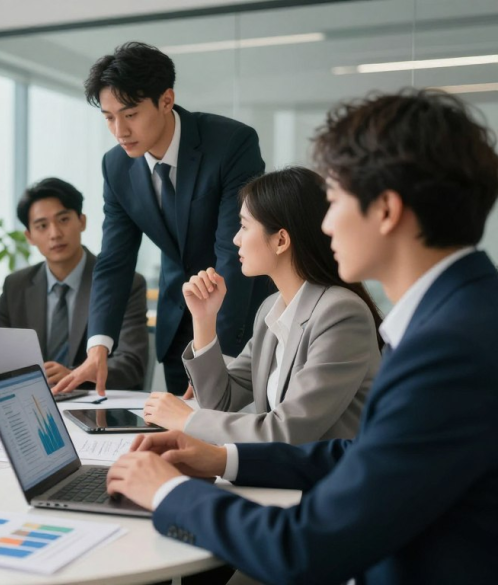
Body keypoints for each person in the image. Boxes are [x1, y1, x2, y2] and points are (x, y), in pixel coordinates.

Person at [104, 89, 498, 584]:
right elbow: (362, 451)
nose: (326, 224)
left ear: (386, 210)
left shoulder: (450, 347)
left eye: (334, 201)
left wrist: (165, 491)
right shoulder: (457, 317)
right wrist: (223, 457)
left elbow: (303, 548)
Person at [54, 42, 272, 397]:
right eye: (109, 117)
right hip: (177, 329)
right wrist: (99, 346)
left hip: (237, 326)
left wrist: (217, 356)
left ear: (166, 100)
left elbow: (233, 252)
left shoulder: (231, 143)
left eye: (130, 114)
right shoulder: (116, 165)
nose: (119, 130)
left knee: (235, 439)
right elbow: (114, 260)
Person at [142, 167, 381, 444]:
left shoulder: (341, 315)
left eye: (244, 226)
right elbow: (220, 401)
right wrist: (204, 319)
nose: (236, 239)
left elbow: (287, 431)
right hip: (283, 476)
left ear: (280, 240)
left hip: (328, 482)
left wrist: (185, 420)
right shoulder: (271, 309)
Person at [0, 177, 148, 389]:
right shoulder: (16, 285)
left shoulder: (124, 282)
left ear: (82, 221)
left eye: (63, 220)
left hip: (94, 406)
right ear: (29, 236)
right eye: (42, 226)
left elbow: (132, 363)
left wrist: (73, 376)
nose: (55, 234)